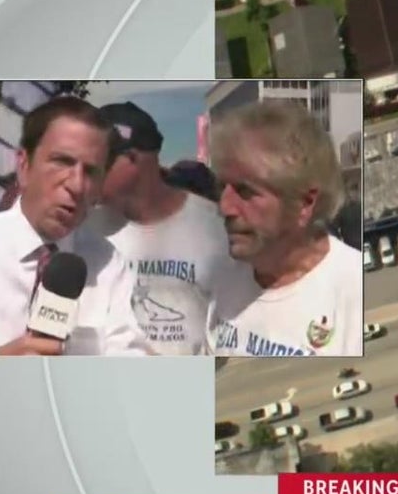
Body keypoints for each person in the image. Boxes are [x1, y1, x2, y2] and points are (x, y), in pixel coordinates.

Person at [0, 96, 152, 356]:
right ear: (24, 165)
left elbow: (129, 355)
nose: (77, 185)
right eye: (62, 161)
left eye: (91, 172)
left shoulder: (109, 264)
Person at [206, 101, 363, 357]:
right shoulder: (224, 282)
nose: (225, 207)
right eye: (222, 188)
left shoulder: (352, 290)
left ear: (305, 202)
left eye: (245, 191)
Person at [84, 102, 229, 355]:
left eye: (97, 163)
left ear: (133, 159)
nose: (85, 174)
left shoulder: (216, 228)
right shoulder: (85, 231)